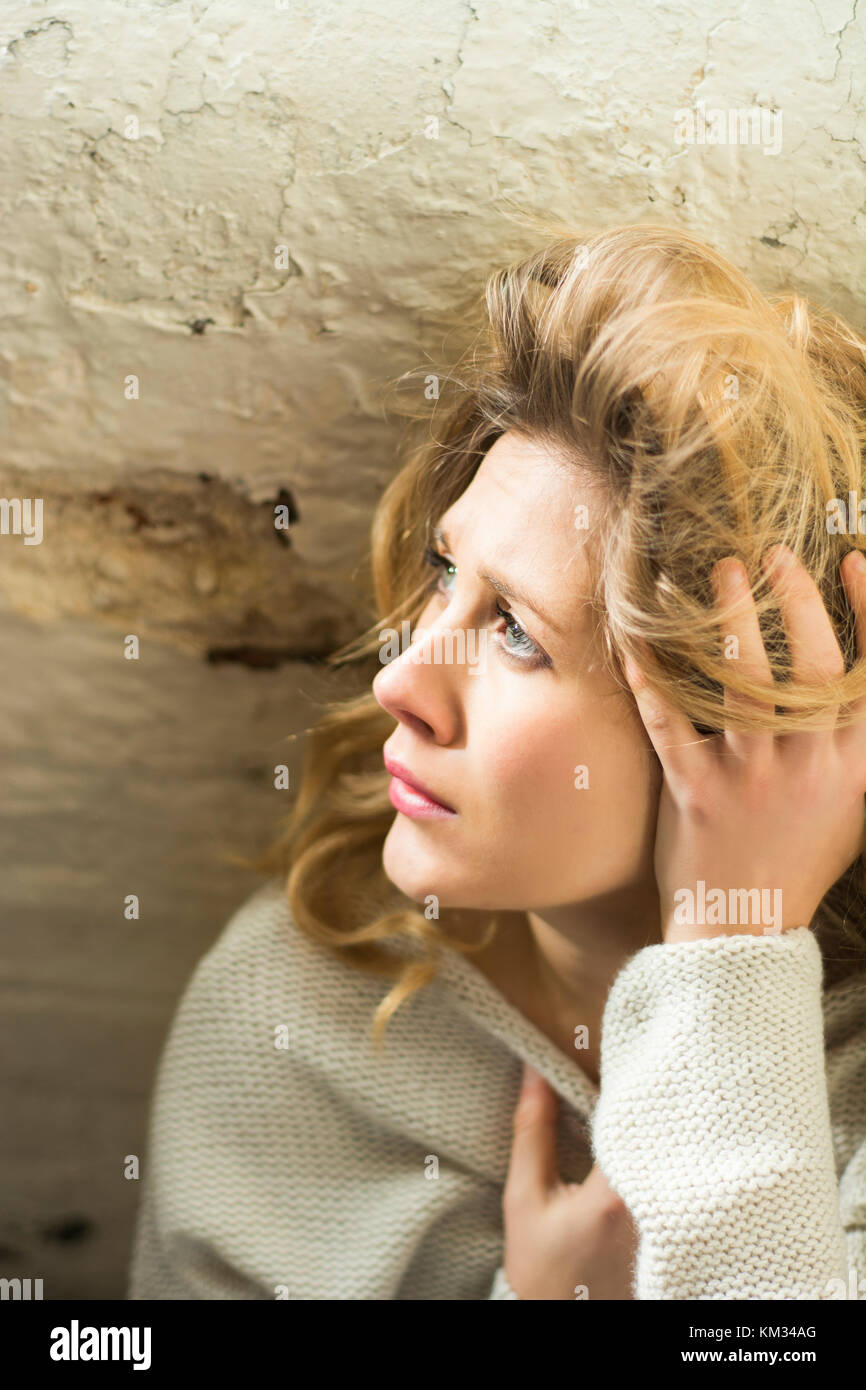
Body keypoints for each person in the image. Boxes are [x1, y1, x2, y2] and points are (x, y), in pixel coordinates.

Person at [128, 222, 866, 1300]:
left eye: (515, 630)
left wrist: (729, 945)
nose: (400, 680)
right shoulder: (289, 1013)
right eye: (443, 574)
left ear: (737, 727)